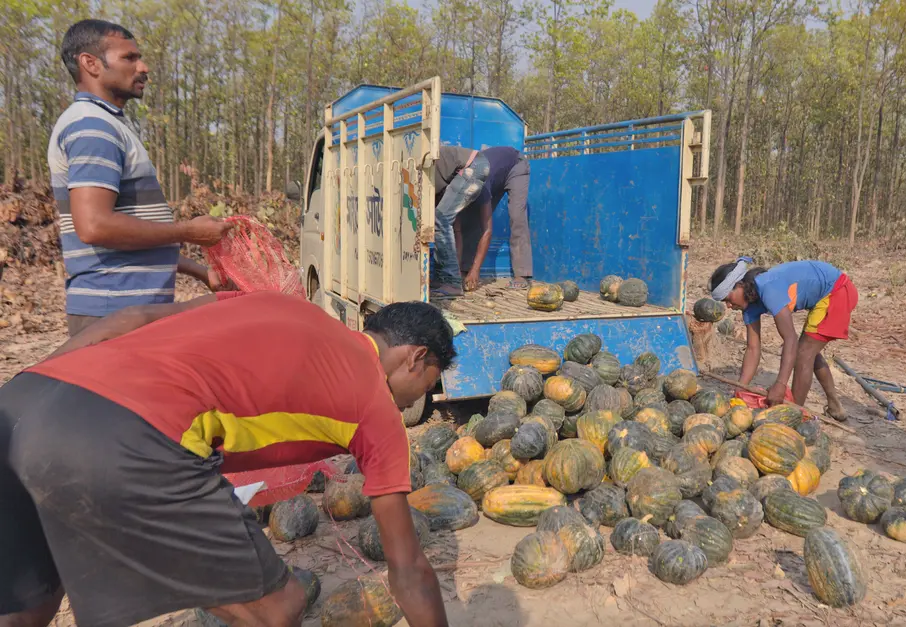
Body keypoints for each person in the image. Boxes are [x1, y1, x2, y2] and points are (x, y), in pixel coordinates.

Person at [0, 292, 453, 627]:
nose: (422, 396)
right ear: (416, 358)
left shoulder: (285, 305)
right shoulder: (375, 406)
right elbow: (409, 572)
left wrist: (27, 394)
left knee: (28, 604)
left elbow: (133, 317)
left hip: (25, 399)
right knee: (279, 607)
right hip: (131, 433)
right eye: (431, 383)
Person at [49, 19, 231, 336]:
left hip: (127, 308)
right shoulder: (92, 127)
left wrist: (199, 271)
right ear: (90, 63)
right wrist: (189, 231)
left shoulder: (106, 124)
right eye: (129, 58)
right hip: (114, 312)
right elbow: (95, 226)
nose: (143, 67)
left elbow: (129, 236)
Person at [710, 257, 858, 420]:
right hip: (823, 296)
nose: (728, 306)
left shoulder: (767, 287)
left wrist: (780, 384)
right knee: (809, 351)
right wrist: (740, 389)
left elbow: (790, 339)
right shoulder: (748, 306)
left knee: (803, 353)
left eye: (727, 299)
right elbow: (753, 348)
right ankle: (835, 406)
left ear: (739, 285)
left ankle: (794, 417)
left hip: (836, 290)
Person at [454, 146, 532, 291]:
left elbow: (487, 229)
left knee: (517, 216)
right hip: (496, 173)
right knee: (470, 217)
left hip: (516, 165)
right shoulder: (458, 185)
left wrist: (476, 270)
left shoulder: (480, 185)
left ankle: (522, 274)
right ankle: (465, 270)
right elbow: (456, 228)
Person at [431, 145, 490, 297]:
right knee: (441, 220)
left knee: (441, 219)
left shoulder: (417, 173)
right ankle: (443, 278)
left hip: (473, 166)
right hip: (471, 166)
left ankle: (451, 282)